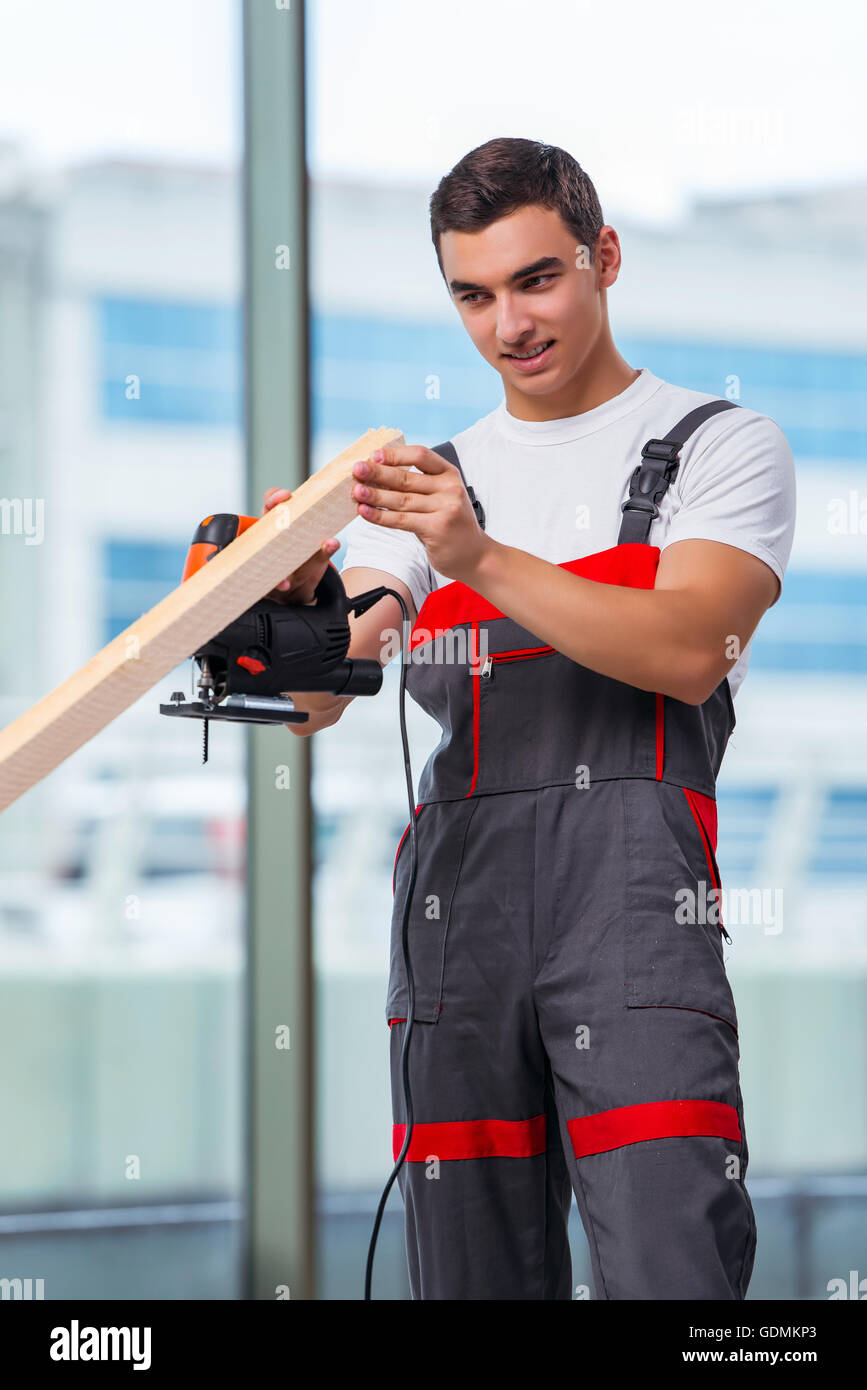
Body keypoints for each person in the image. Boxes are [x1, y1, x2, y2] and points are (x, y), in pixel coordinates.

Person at [262, 137, 796, 1300]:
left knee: (675, 1270)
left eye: (538, 278)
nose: (510, 322)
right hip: (461, 927)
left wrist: (480, 554)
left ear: (604, 258)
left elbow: (691, 648)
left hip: (636, 927)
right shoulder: (430, 486)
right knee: (469, 1277)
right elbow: (316, 696)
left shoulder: (718, 446)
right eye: (474, 293)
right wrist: (294, 605)